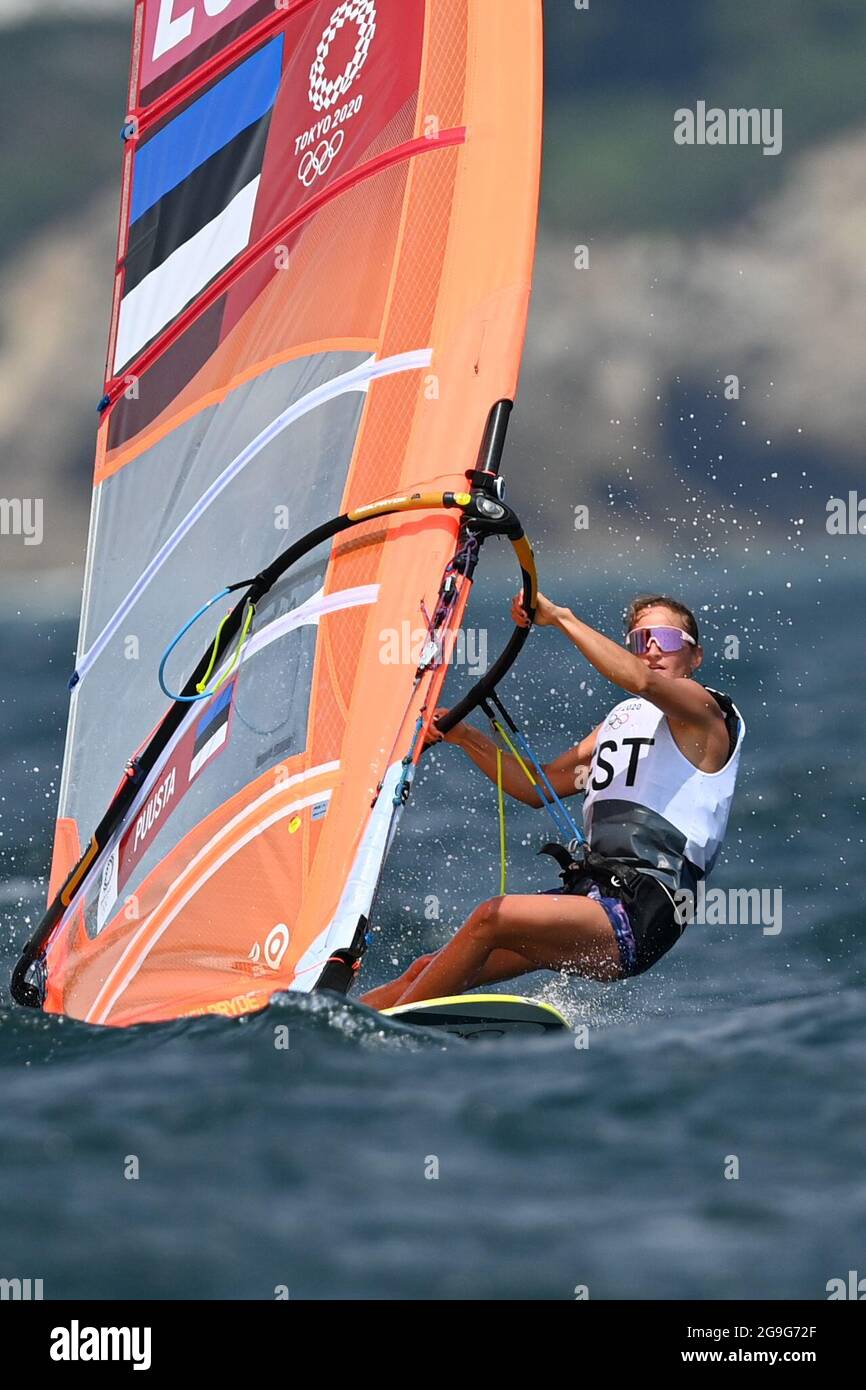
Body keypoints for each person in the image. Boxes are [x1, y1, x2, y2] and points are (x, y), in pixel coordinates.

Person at [360, 593, 745, 1011]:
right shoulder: (620, 722)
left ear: (696, 656)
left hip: (644, 911)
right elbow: (537, 788)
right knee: (431, 966)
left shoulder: (707, 715)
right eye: (640, 640)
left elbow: (643, 681)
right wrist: (466, 737)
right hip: (594, 897)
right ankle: (337, 1014)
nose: (652, 650)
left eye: (667, 639)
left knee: (493, 917)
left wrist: (561, 617)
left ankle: (384, 1029)